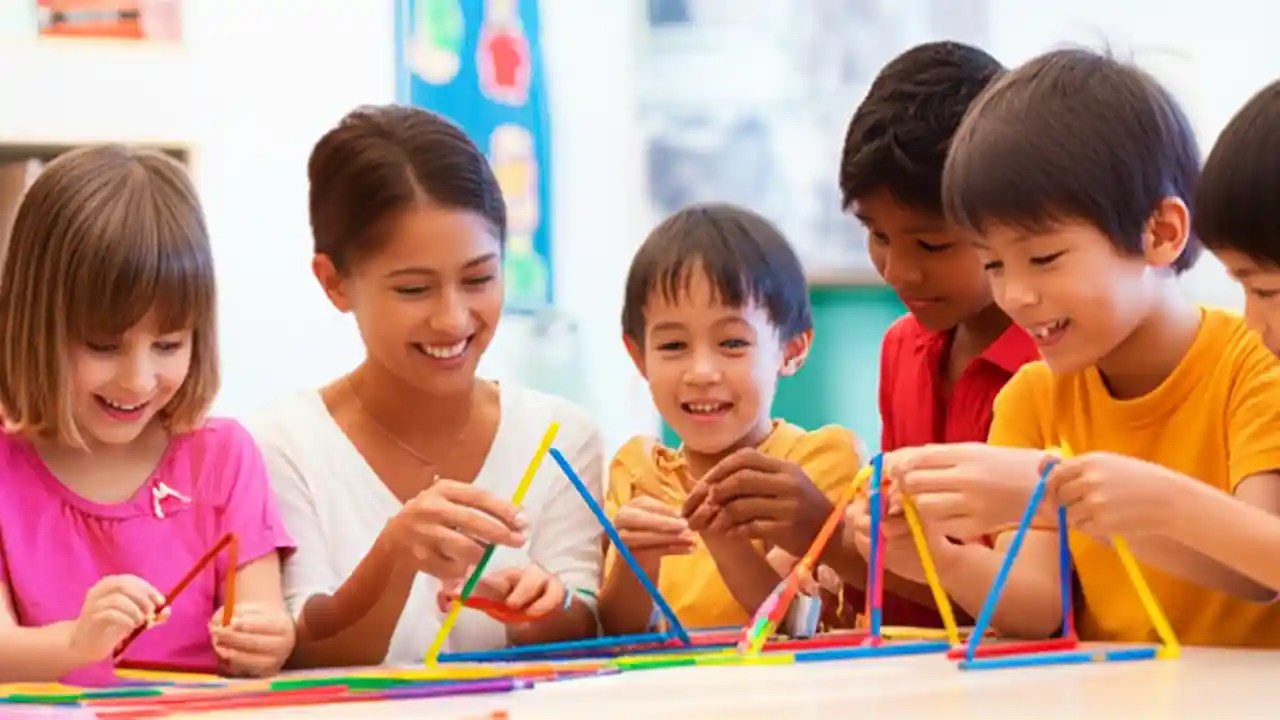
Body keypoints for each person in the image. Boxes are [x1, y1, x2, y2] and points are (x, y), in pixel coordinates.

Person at [866, 49, 1280, 647]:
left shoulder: (1252, 364)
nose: (1015, 295)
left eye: (1044, 259)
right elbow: (1039, 607)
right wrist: (936, 555)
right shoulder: (1031, 397)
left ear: (1161, 233)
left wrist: (1054, 489)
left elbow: (1257, 571)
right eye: (992, 264)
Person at [248, 105, 604, 667]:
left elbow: (591, 630)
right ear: (335, 282)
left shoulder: (562, 438)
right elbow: (302, 653)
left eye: (479, 278)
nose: (453, 319)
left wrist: (539, 610)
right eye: (414, 289)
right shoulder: (278, 447)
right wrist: (393, 556)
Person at [0, 146, 295, 685]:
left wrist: (267, 638)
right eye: (102, 345)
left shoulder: (223, 457)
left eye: (168, 344)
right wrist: (75, 642)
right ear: (32, 323)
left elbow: (264, 613)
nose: (137, 380)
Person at [835, 40, 1036, 627]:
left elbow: (1035, 607)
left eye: (932, 244)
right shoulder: (904, 347)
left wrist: (817, 535)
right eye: (876, 235)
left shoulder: (1054, 367)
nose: (898, 270)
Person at [598, 203, 862, 635]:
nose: (702, 372)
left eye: (733, 342)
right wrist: (634, 564)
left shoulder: (818, 462)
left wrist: (725, 540)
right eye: (673, 346)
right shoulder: (636, 469)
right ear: (638, 356)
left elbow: (795, 627)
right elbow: (613, 637)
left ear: (792, 350)